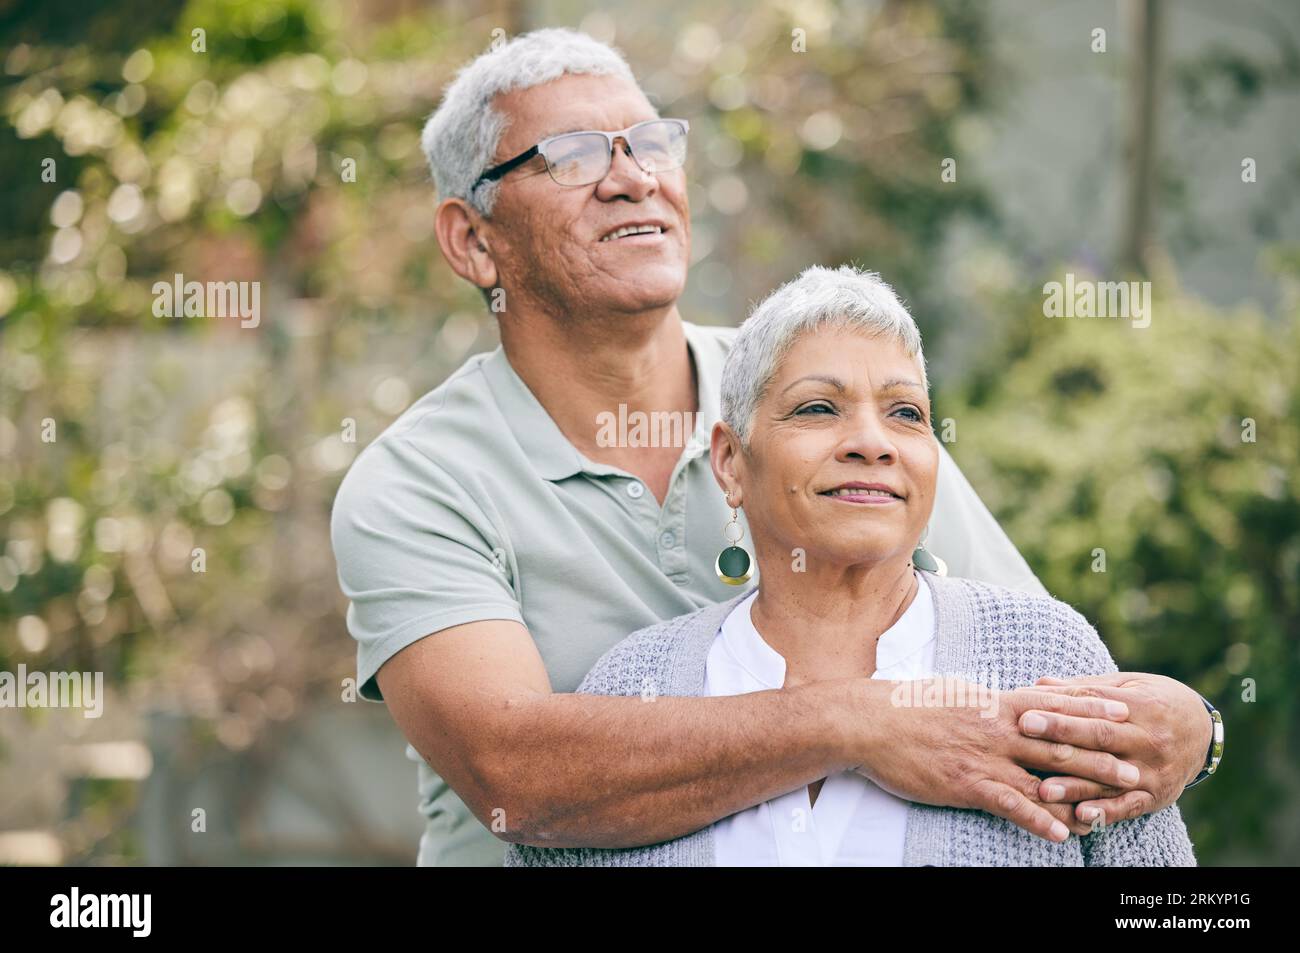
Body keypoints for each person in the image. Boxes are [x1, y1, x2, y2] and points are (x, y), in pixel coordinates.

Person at [329, 28, 1219, 866]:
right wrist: (860, 722)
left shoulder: (824, 399)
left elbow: (1031, 659)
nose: (632, 177)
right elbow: (513, 774)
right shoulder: (418, 486)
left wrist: (1193, 725)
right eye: (572, 156)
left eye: (650, 143)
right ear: (473, 240)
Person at [507, 265, 1197, 865]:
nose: (872, 441)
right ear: (729, 461)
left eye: (905, 412)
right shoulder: (636, 682)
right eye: (817, 407)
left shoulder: (1042, 654)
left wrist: (1205, 729)